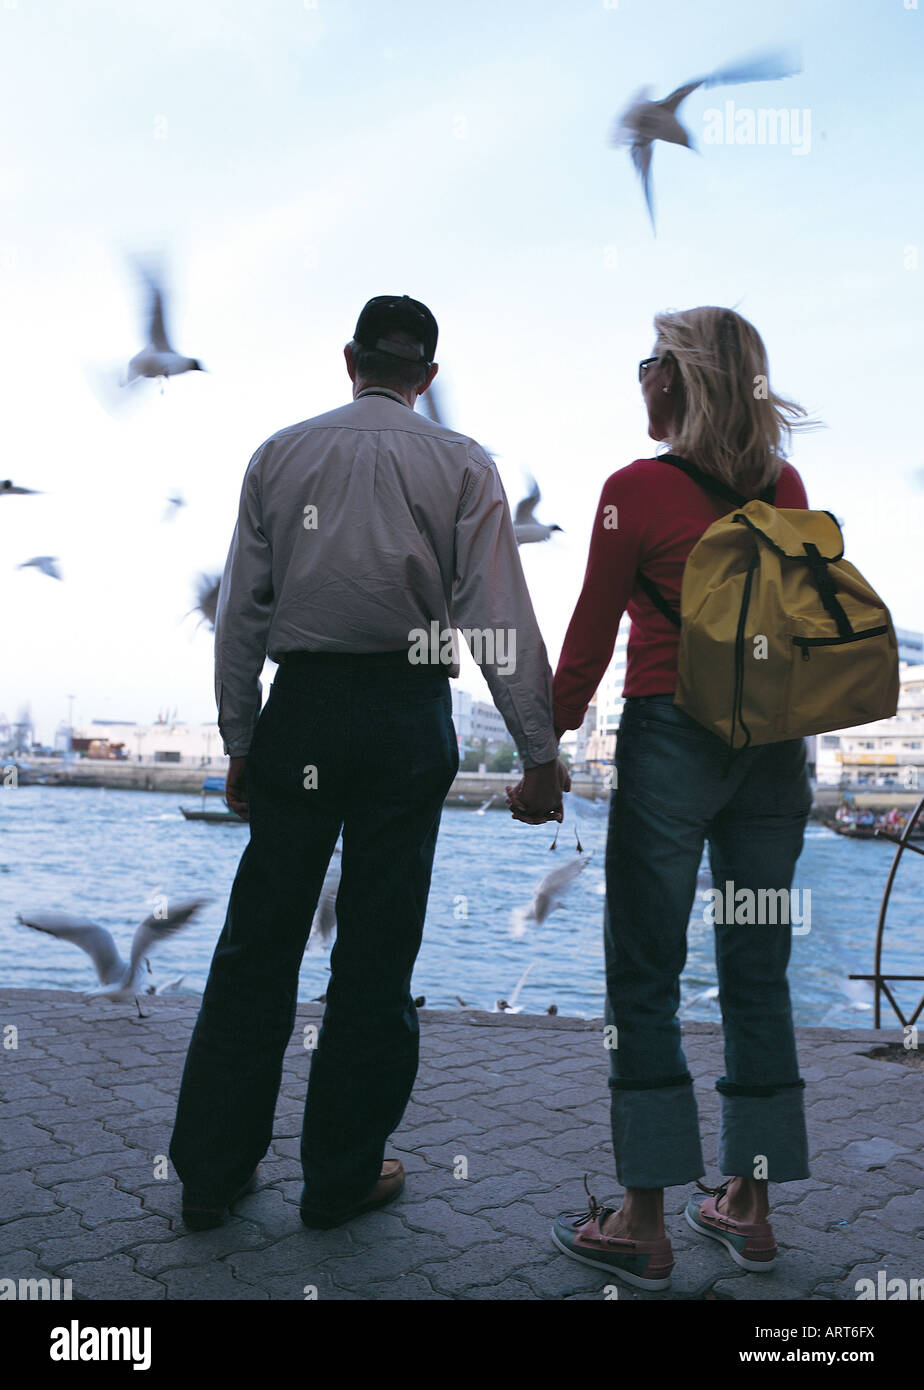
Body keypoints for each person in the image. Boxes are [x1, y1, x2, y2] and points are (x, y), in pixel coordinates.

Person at [170, 294, 568, 1231]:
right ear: (427, 376)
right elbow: (498, 619)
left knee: (256, 946)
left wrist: (240, 739)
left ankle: (212, 1177)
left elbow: (242, 615)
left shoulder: (279, 454)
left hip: (301, 713)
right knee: (378, 953)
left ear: (348, 359)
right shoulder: (463, 464)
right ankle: (340, 1176)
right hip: (405, 714)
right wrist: (539, 754)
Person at [547, 306, 815, 1290]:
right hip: (777, 746)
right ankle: (751, 1205)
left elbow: (586, 639)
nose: (640, 378)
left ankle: (644, 1218)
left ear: (679, 379)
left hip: (671, 732)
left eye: (651, 362)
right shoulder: (783, 486)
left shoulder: (634, 490)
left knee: (645, 973)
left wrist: (545, 754)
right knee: (758, 969)